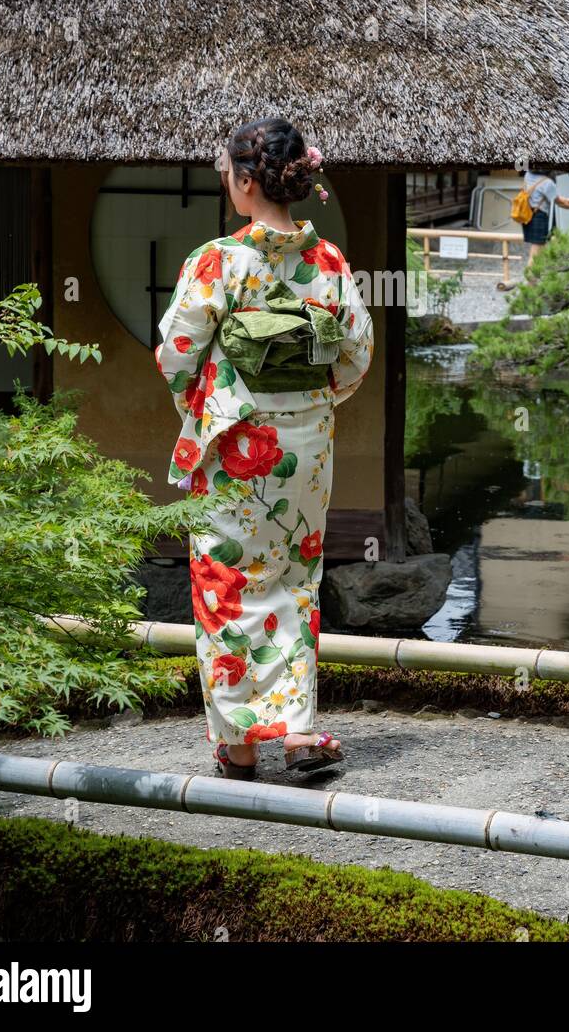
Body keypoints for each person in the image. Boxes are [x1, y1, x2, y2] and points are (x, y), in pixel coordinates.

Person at [156, 118, 373, 780]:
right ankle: (300, 732)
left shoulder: (219, 261)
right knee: (295, 583)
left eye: (228, 176)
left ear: (248, 183)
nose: (227, 185)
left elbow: (177, 354)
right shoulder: (328, 262)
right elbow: (356, 356)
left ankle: (240, 743)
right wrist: (307, 405)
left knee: (226, 583)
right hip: (305, 450)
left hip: (235, 445)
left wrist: (213, 397)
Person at [522, 170, 569, 271]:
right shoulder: (547, 183)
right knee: (535, 254)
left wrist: (566, 200)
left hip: (529, 214)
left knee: (544, 245)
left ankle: (542, 272)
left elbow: (554, 196)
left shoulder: (528, 175)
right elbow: (559, 202)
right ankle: (530, 284)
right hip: (540, 218)